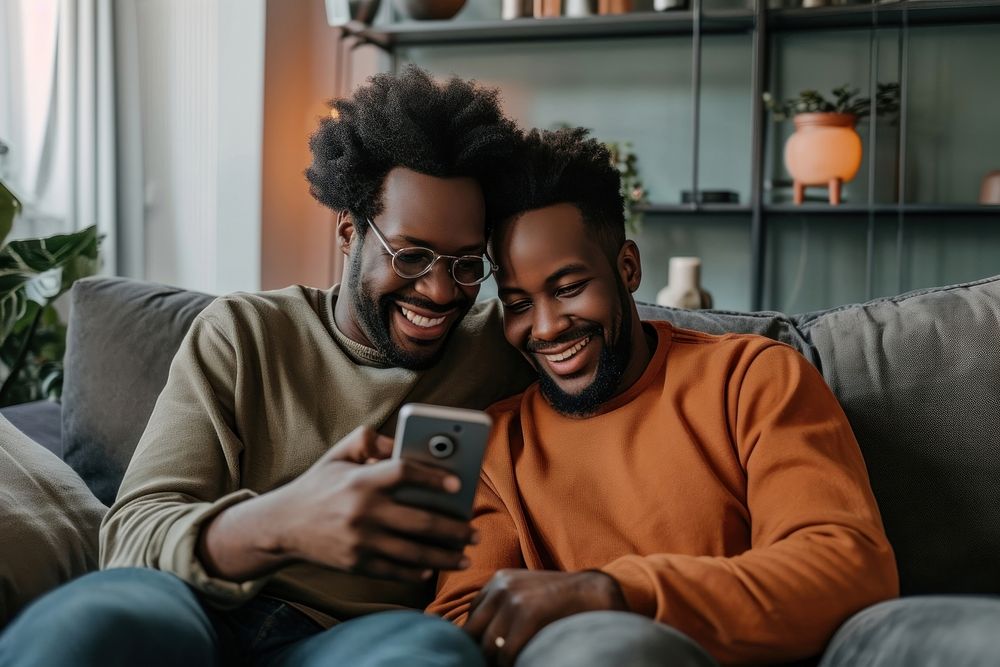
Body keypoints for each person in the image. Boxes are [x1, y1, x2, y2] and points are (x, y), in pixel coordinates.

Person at [0, 66, 535, 667]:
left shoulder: (509, 339)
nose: (439, 291)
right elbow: (131, 536)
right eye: (410, 256)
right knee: (94, 623)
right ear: (349, 230)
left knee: (430, 655)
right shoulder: (245, 333)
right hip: (196, 607)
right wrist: (284, 523)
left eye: (465, 264)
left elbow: (618, 326)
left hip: (359, 637)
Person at [428, 128, 900, 666]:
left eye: (568, 288)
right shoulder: (494, 450)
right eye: (517, 303)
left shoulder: (751, 378)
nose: (546, 327)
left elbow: (847, 568)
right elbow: (462, 624)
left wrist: (613, 593)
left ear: (627, 268)